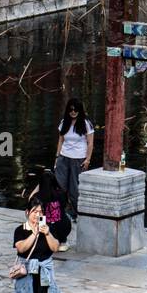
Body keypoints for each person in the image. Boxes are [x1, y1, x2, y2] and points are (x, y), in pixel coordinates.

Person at [13, 198, 62, 293]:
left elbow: (55, 247)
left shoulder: (49, 229)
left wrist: (47, 234)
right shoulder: (20, 230)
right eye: (34, 211)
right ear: (27, 212)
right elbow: (21, 248)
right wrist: (34, 234)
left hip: (43, 273)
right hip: (26, 272)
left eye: (40, 212)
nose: (37, 214)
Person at [55, 98, 93, 248]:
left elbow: (90, 142)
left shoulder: (86, 124)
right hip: (64, 157)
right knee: (60, 187)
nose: (73, 112)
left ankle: (79, 214)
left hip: (79, 159)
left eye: (75, 110)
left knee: (75, 189)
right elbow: (60, 140)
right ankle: (61, 213)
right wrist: (57, 157)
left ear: (79, 110)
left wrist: (88, 159)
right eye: (70, 110)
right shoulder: (63, 122)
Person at [27, 169, 73, 251]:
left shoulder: (37, 197)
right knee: (64, 216)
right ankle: (62, 241)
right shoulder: (62, 193)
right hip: (64, 227)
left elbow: (30, 199)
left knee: (36, 216)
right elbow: (66, 205)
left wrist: (39, 185)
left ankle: (44, 241)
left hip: (45, 228)